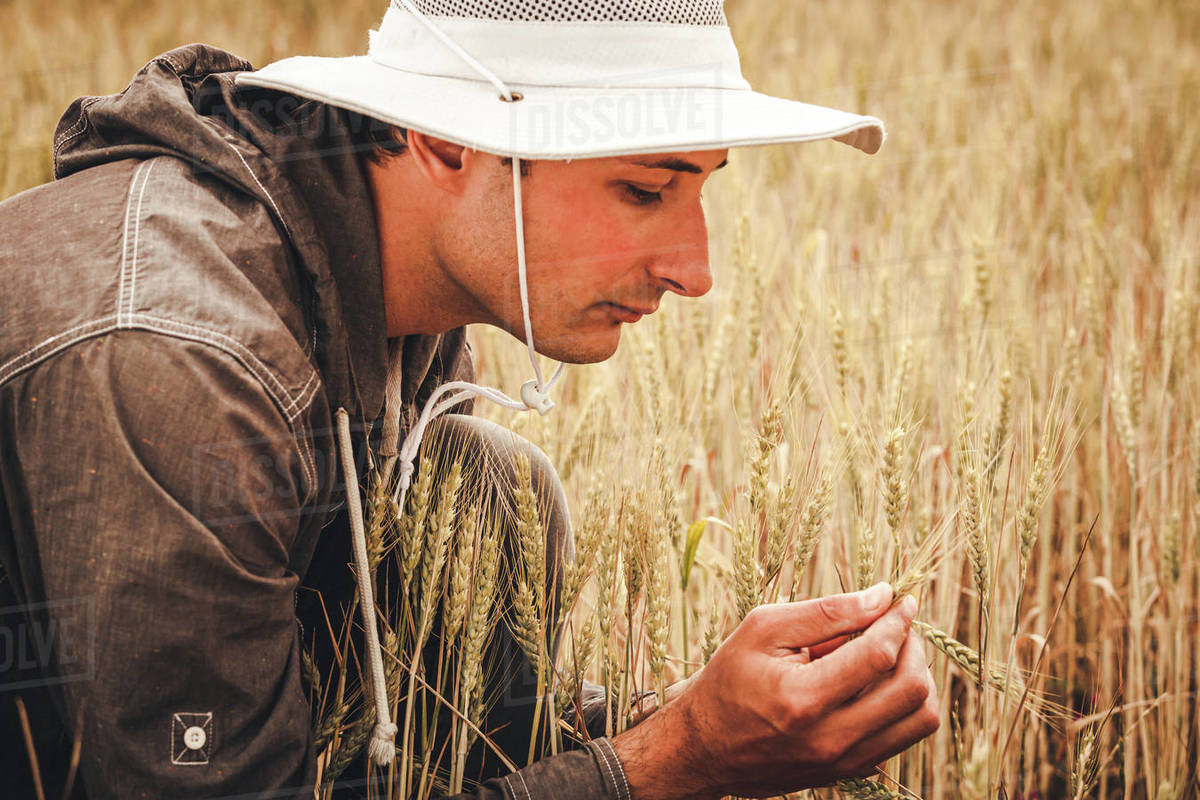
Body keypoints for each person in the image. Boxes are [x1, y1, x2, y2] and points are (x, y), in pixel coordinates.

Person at [0, 0, 940, 798]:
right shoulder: (184, 357)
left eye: (699, 189)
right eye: (646, 189)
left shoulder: (394, 298)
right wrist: (675, 759)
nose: (695, 270)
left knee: (492, 489)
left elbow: (436, 730)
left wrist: (709, 716)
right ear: (447, 140)